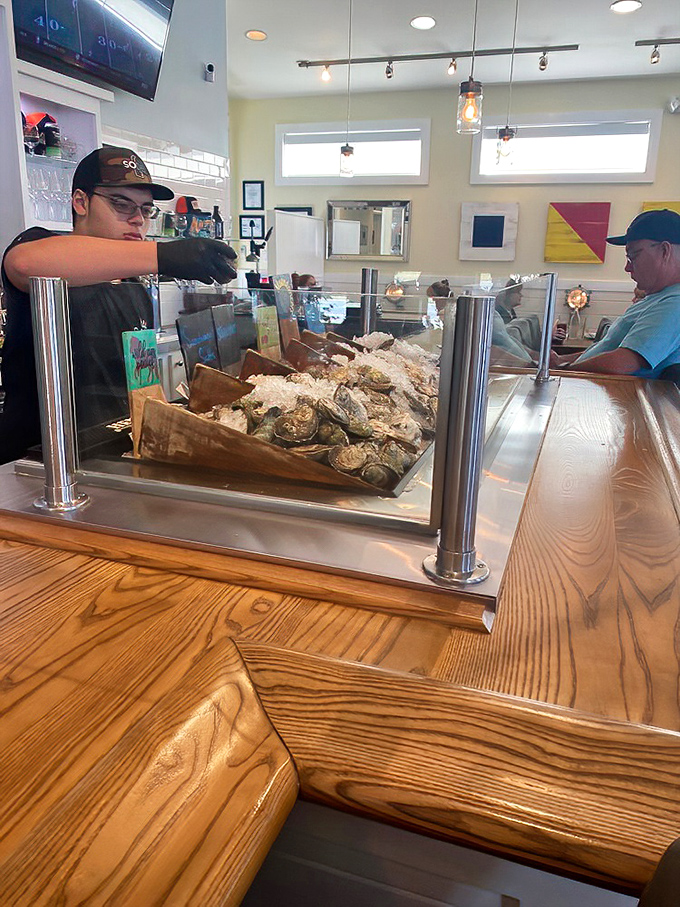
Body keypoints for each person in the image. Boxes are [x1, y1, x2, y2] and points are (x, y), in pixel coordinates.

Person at [1, 146, 237, 464]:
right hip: (36, 462)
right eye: (121, 205)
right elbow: (24, 263)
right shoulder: (42, 246)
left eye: (146, 210)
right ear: (80, 202)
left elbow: (141, 383)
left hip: (110, 455)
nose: (138, 220)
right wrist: (162, 255)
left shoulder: (134, 289)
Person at [554, 209, 680, 377]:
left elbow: (623, 363)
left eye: (633, 256)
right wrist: (561, 361)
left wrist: (560, 371)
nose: (627, 267)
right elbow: (606, 350)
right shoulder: (656, 298)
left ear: (665, 251)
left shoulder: (674, 303)